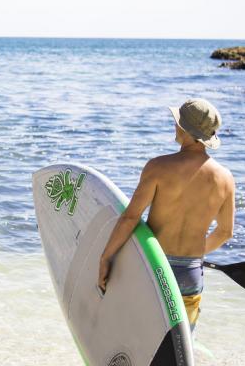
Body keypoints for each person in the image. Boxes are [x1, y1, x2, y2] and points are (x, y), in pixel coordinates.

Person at [97, 98, 235, 330]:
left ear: (184, 129)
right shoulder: (225, 178)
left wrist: (106, 257)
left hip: (154, 265)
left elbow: (131, 217)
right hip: (190, 273)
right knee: (178, 345)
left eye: (177, 122)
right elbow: (224, 232)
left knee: (137, 335)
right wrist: (194, 255)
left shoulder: (158, 167)